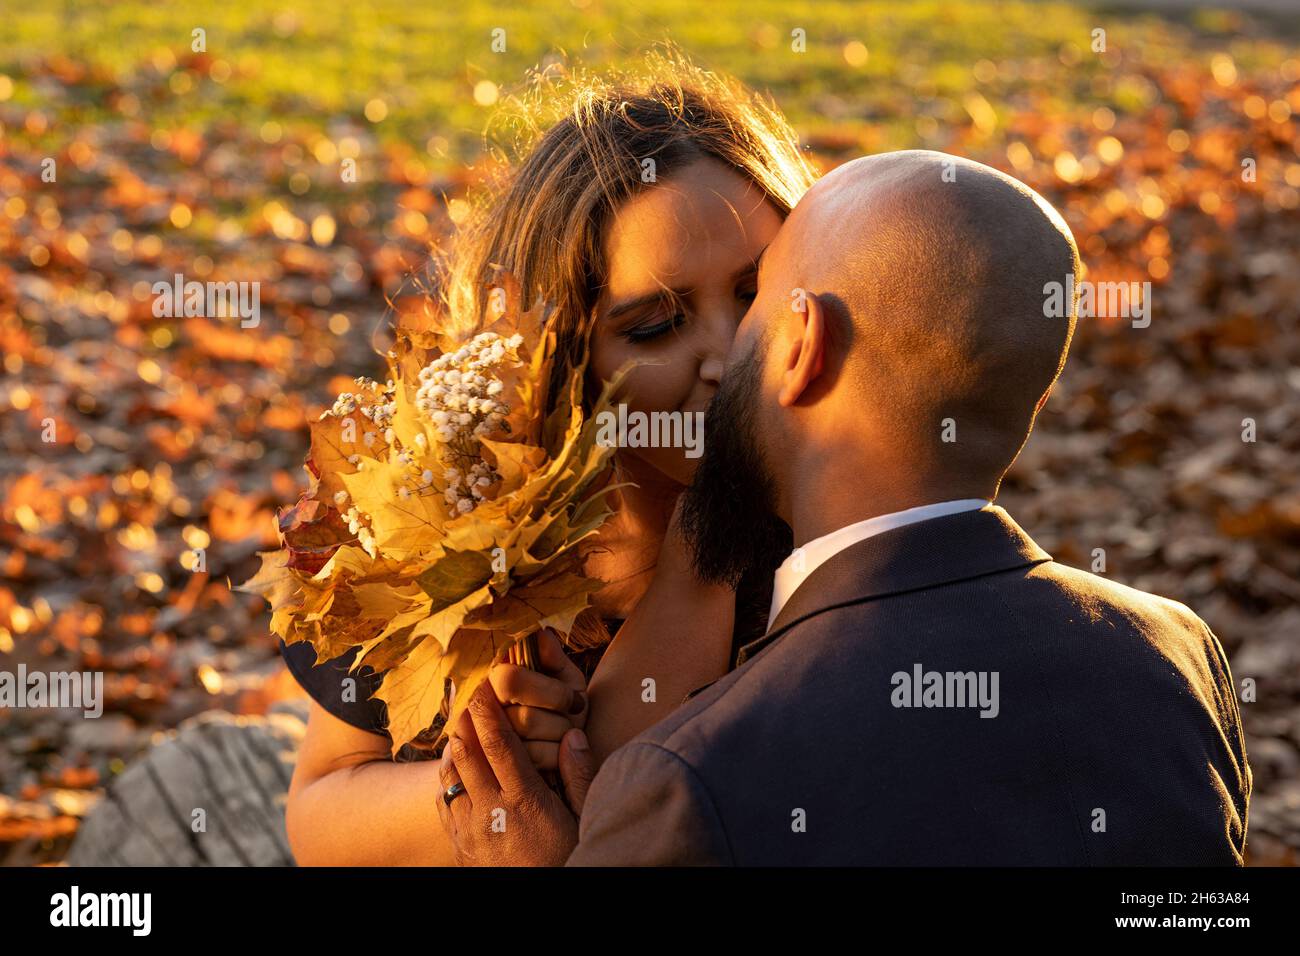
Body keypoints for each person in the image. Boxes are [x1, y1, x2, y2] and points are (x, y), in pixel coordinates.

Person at [435, 150, 1252, 866]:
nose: (721, 357)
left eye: (754, 301)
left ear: (801, 345)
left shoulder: (691, 778)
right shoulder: (1177, 658)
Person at [279, 50, 817, 865]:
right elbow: (321, 816)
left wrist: (705, 545)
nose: (729, 352)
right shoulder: (449, 503)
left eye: (757, 291)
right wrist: (485, 779)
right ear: (559, 358)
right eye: (655, 326)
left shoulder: (831, 536)